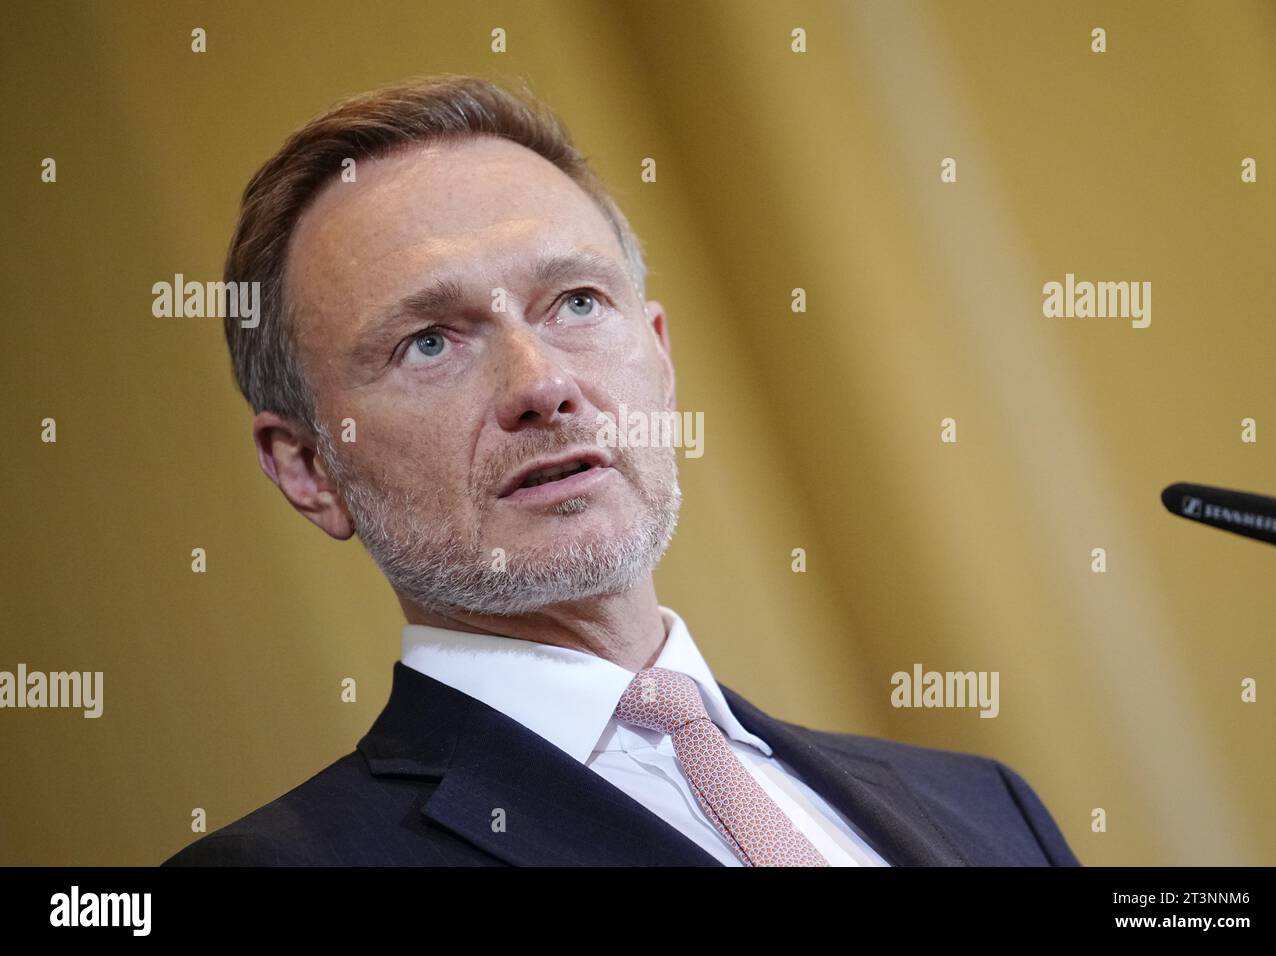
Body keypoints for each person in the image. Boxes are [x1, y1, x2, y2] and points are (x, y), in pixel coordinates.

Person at [162, 74, 1079, 867]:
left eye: (576, 301)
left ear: (659, 356)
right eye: (430, 341)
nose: (544, 383)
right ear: (309, 468)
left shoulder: (987, 809)